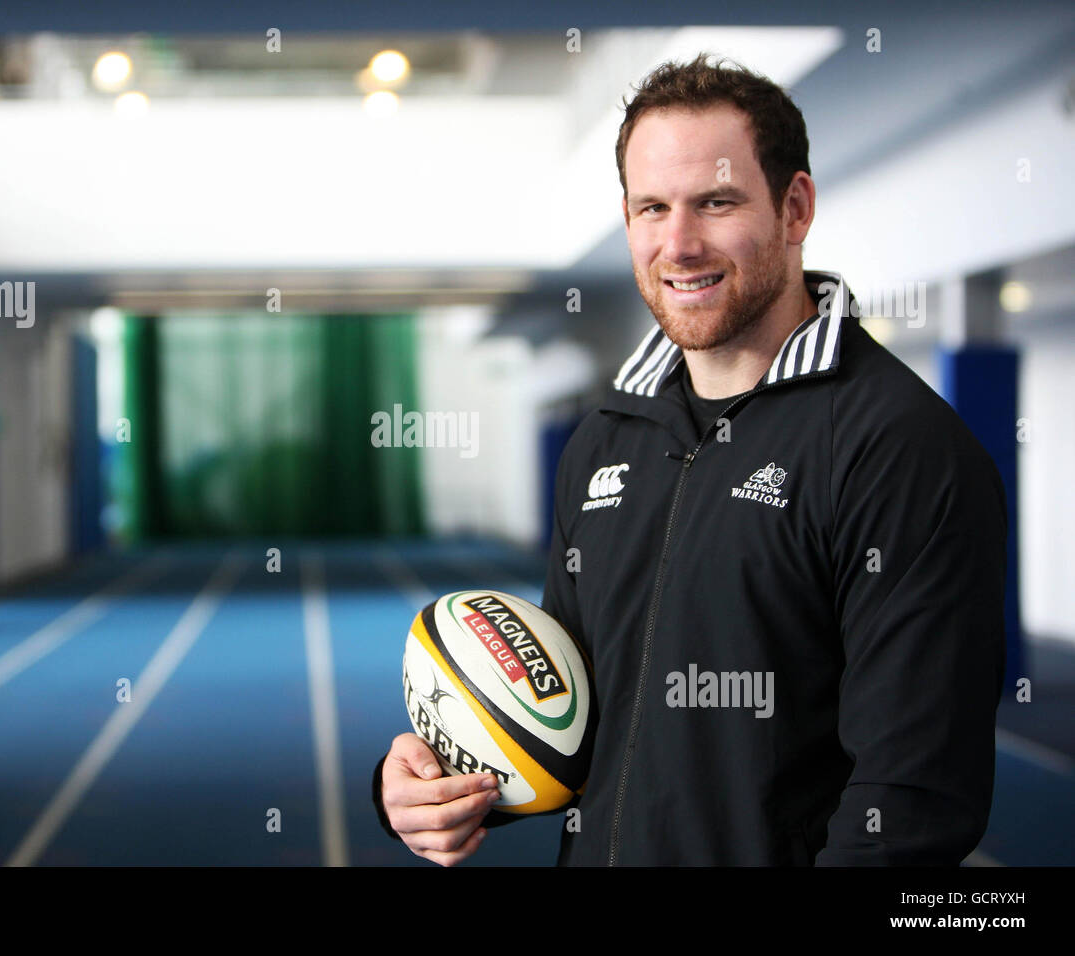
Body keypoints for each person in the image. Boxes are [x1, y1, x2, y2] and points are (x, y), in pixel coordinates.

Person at [371, 54, 1007, 865]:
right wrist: (435, 785)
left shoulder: (899, 448)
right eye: (651, 208)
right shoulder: (607, 437)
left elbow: (913, 800)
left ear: (795, 207)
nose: (679, 243)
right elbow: (567, 716)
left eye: (715, 202)